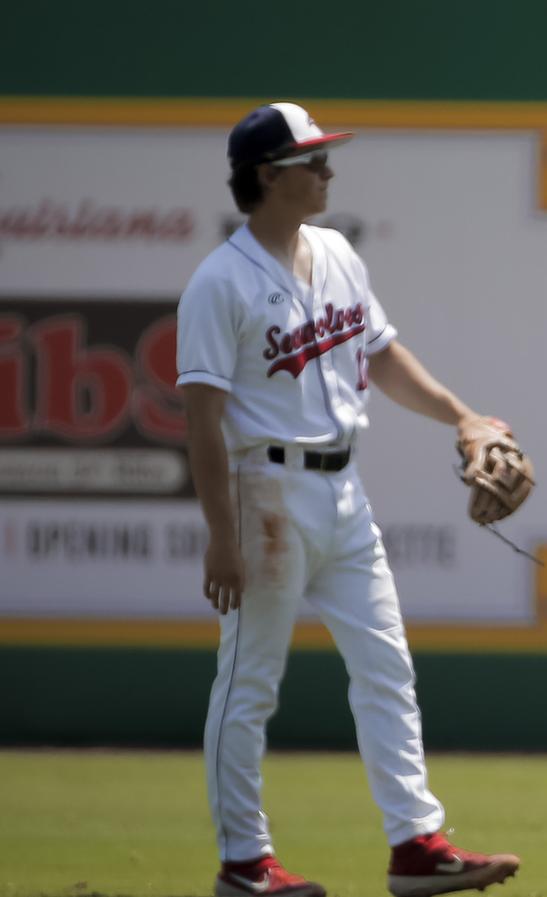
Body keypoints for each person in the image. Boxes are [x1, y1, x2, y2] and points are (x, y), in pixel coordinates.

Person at [177, 103, 522, 897]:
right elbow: (199, 419)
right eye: (314, 161)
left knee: (386, 666)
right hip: (261, 491)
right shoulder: (219, 282)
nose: (329, 172)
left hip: (342, 489)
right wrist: (219, 535)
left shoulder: (335, 252)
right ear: (269, 174)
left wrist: (462, 415)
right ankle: (243, 861)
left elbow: (384, 356)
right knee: (248, 682)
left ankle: (416, 843)